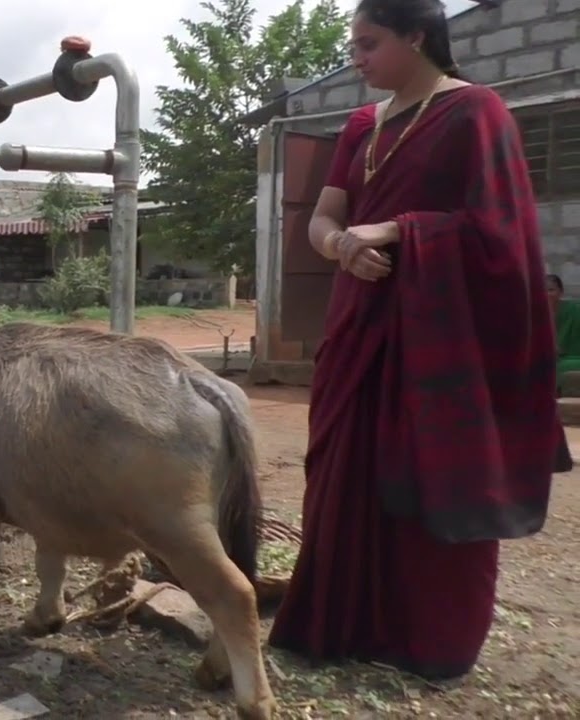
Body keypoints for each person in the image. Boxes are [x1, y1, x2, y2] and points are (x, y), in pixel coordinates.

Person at [267, 0, 571, 683]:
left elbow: (501, 232)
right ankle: (343, 622)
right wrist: (342, 245)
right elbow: (324, 218)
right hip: (359, 323)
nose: (357, 57)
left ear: (416, 36)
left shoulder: (475, 112)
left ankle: (430, 639)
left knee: (432, 473)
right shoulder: (358, 126)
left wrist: (403, 230)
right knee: (344, 473)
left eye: (369, 43)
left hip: (442, 339)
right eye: (354, 44)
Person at [547, 274, 580, 389]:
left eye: (551, 290)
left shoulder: (574, 311)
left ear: (561, 292)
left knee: (560, 367)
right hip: (545, 359)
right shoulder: (534, 314)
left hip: (573, 357)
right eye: (543, 289)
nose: (546, 294)